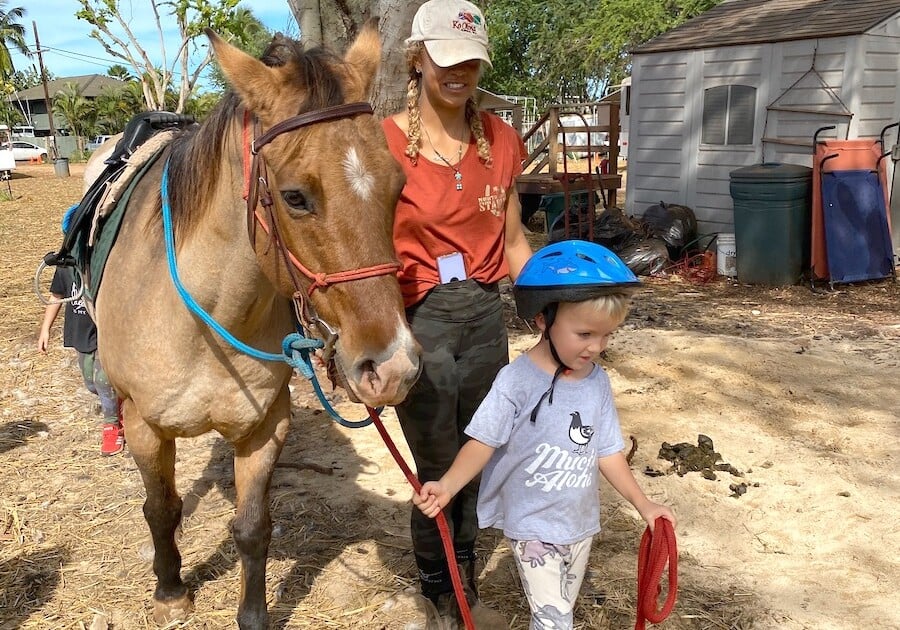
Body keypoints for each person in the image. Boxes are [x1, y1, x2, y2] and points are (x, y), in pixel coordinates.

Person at [412, 240, 677, 630]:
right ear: (542, 319)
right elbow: (483, 441)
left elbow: (607, 451)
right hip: (533, 525)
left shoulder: (597, 382)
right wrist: (448, 486)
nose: (596, 347)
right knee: (554, 620)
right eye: (584, 334)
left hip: (579, 523)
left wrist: (644, 504)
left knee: (561, 610)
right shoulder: (515, 381)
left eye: (607, 335)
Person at [381, 0, 533, 626]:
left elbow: (515, 240)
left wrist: (552, 312)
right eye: (446, 58)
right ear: (417, 59)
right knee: (437, 461)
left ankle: (462, 567)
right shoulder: (383, 144)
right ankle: (437, 585)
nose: (459, 72)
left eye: (470, 60)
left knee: (483, 449)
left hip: (484, 313)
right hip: (421, 317)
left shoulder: (501, 140)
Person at [38, 207, 123, 456]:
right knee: (92, 384)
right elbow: (56, 296)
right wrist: (45, 330)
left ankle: (112, 427)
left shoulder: (102, 263)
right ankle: (118, 403)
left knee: (103, 381)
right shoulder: (64, 266)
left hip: (103, 332)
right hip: (80, 332)